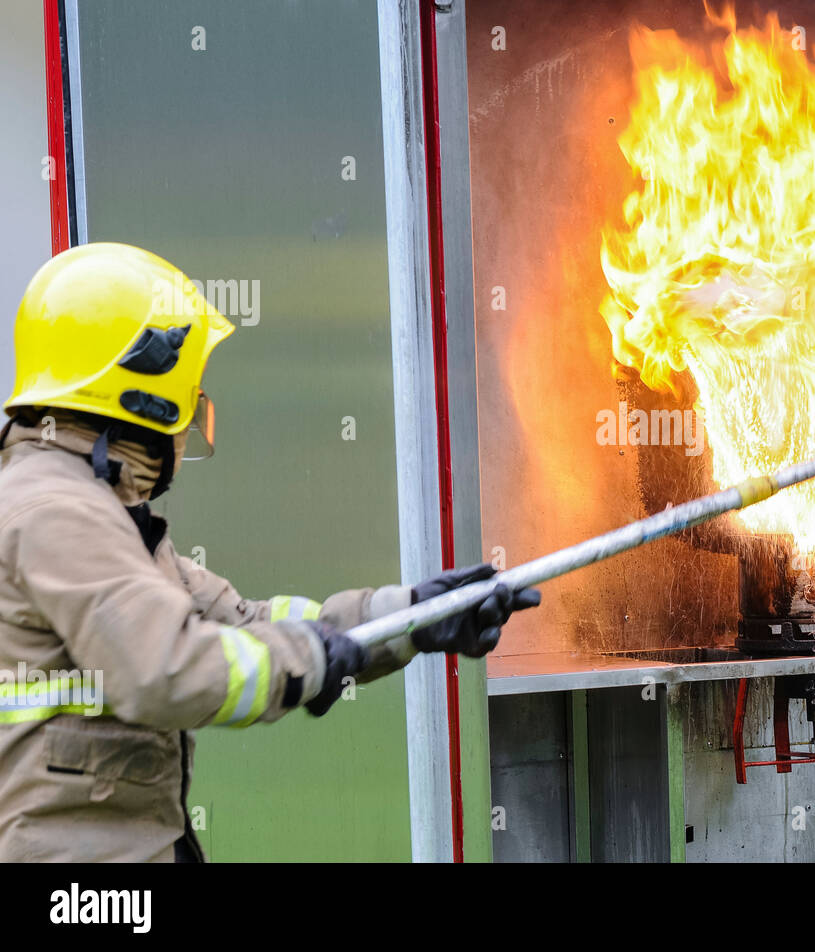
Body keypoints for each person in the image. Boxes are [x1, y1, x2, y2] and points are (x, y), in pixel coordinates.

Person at [0, 242, 538, 862]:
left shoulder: (89, 508)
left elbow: (245, 622)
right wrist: (312, 657)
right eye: (191, 396)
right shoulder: (59, 514)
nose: (192, 426)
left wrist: (412, 616)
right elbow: (166, 668)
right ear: (146, 397)